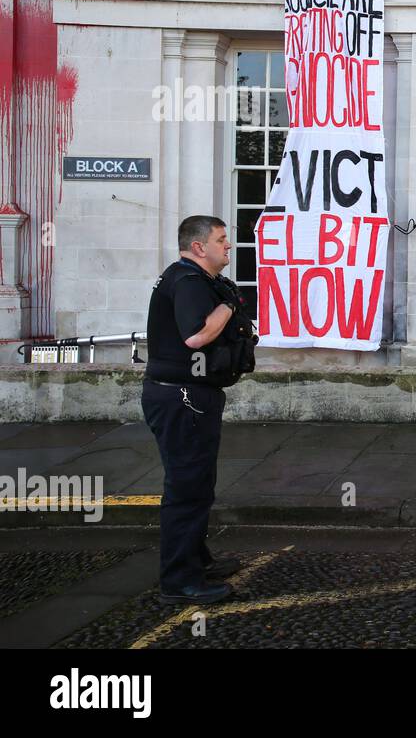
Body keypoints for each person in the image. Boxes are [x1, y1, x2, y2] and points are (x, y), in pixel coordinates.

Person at [142, 215, 256, 605]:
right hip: (181, 398)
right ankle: (179, 581)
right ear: (198, 247)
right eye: (222, 240)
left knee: (198, 485)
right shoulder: (188, 281)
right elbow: (196, 335)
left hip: (190, 396)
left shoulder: (193, 279)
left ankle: (196, 560)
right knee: (187, 490)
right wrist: (228, 304)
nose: (229, 245)